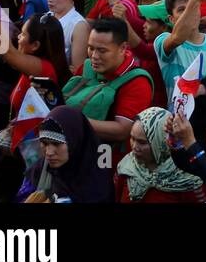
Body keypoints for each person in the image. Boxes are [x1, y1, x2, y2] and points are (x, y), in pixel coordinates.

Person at [61, 17, 153, 164]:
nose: (94, 56)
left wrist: (72, 120)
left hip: (107, 162)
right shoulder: (87, 67)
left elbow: (123, 130)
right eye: (91, 48)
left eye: (102, 50)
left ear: (123, 48)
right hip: (74, 153)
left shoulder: (137, 81)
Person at [18, 106, 114, 203]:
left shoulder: (98, 181)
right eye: (45, 143)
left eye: (56, 144)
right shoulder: (41, 169)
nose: (49, 152)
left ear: (75, 141)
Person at [114, 107, 206, 203]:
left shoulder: (188, 179)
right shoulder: (126, 168)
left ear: (160, 142)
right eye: (132, 138)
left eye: (142, 142)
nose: (134, 146)